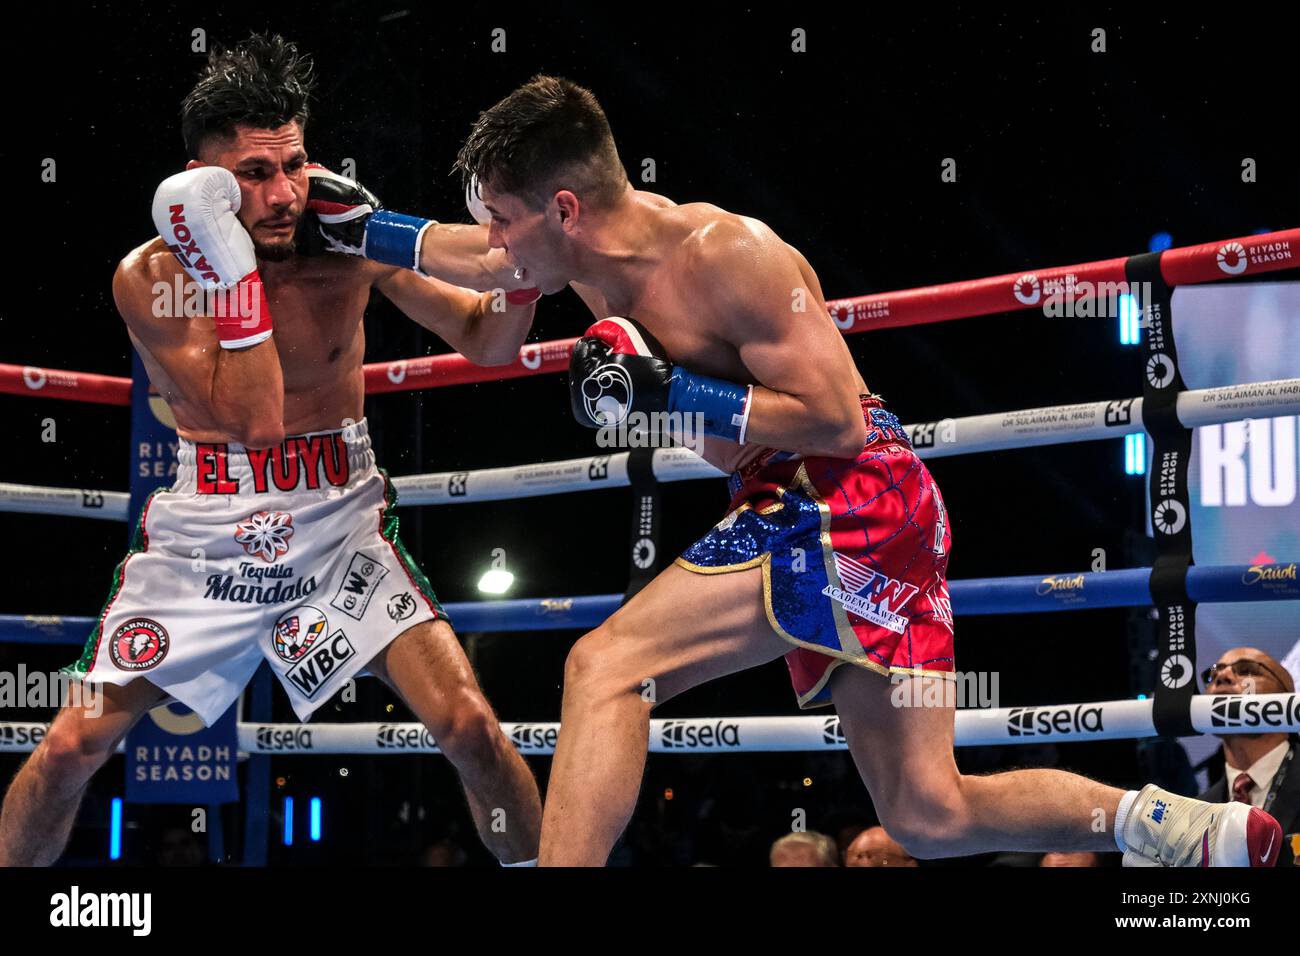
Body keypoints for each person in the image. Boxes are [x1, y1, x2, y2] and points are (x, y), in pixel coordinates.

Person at [454, 74, 1283, 868]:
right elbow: (723, 443)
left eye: (501, 219)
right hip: (842, 502)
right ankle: (1183, 826)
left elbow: (836, 420)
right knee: (929, 813)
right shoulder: (596, 278)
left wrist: (674, 389)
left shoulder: (724, 254)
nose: (492, 241)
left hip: (844, 493)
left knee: (604, 669)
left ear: (565, 209)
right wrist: (357, 233)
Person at [0, 34, 543, 867]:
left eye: (293, 163)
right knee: (72, 746)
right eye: (254, 175)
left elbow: (487, 339)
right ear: (200, 183)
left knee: (470, 725)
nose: (285, 193)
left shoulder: (350, 241)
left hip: (338, 527)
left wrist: (523, 269)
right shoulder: (149, 277)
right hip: (205, 539)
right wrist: (227, 268)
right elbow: (254, 420)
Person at [1196, 649, 1299, 866]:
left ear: (1286, 694)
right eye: (1213, 675)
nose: (1222, 677)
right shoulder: (1196, 812)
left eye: (1246, 670)